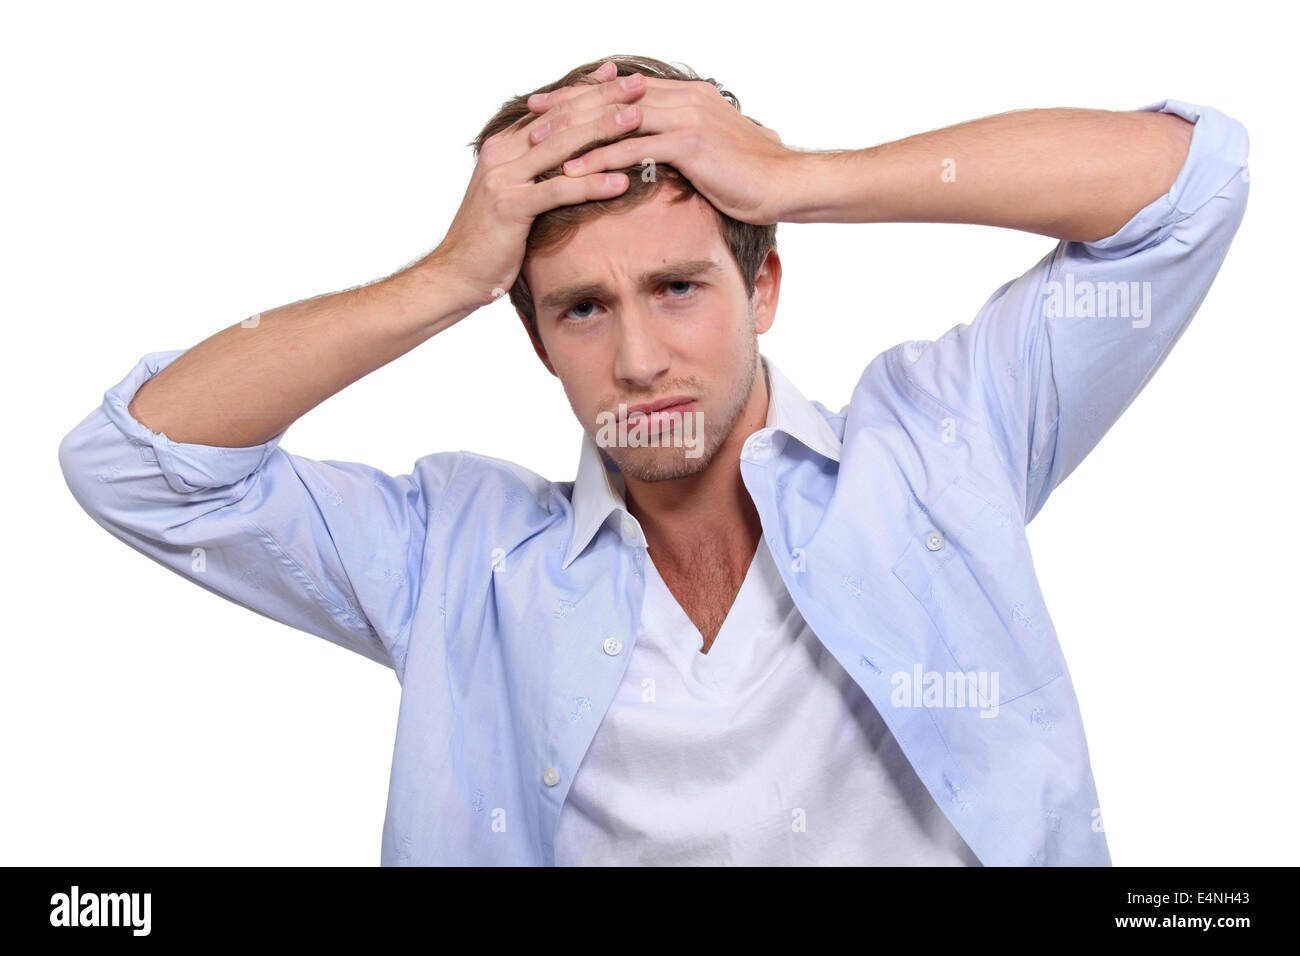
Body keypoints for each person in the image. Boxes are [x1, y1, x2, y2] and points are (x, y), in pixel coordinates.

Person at [57, 55, 1250, 865]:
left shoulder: (939, 444)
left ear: (763, 282)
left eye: (678, 286)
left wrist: (801, 178)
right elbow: (137, 461)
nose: (637, 357)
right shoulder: (457, 557)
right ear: (533, 337)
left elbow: (1190, 181)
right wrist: (448, 276)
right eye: (580, 308)